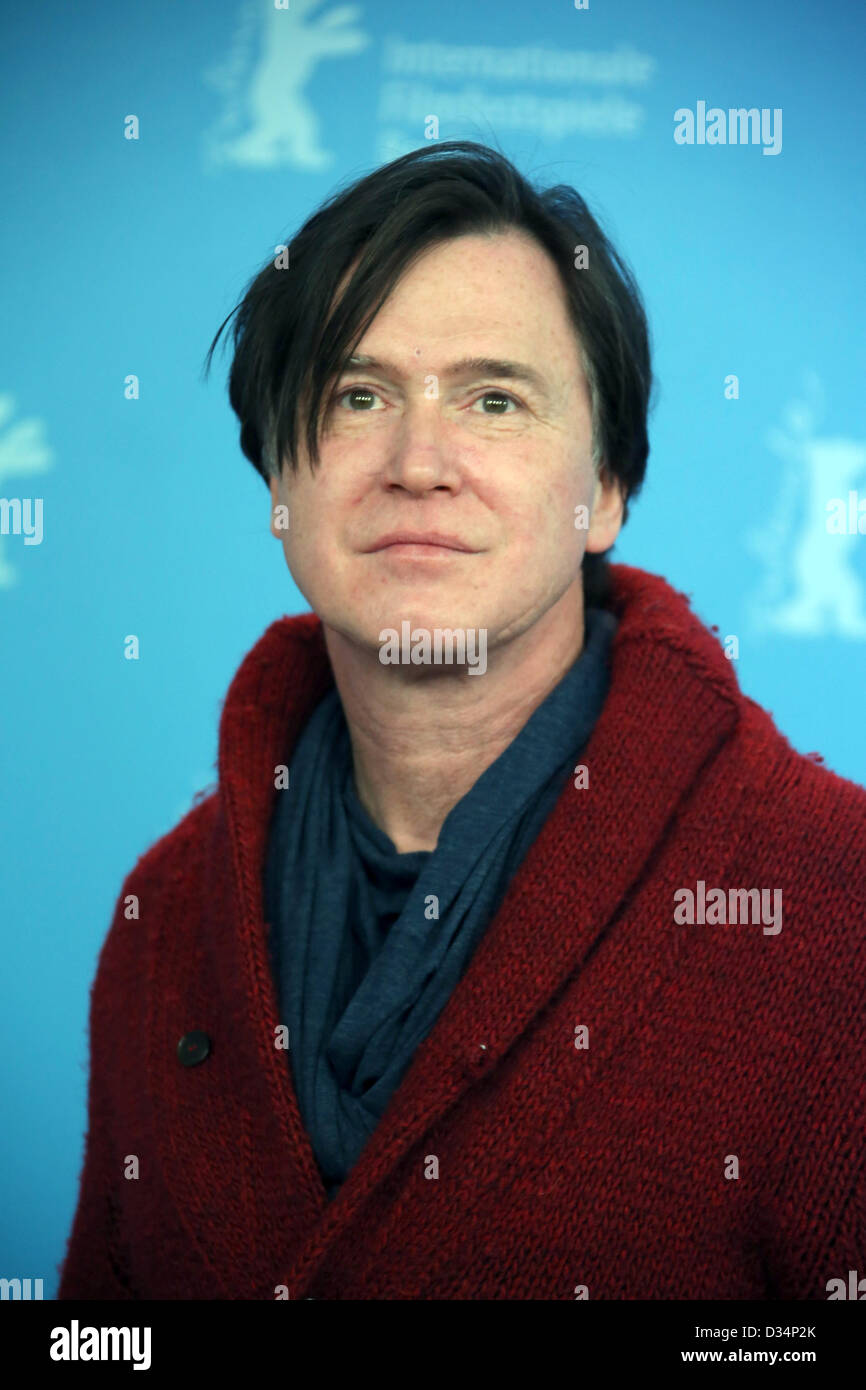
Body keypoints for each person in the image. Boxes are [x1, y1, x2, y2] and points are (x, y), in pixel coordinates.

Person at [58, 141, 866, 1301]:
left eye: (493, 399)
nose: (418, 461)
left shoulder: (832, 903)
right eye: (356, 394)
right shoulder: (164, 912)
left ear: (605, 491)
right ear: (278, 485)